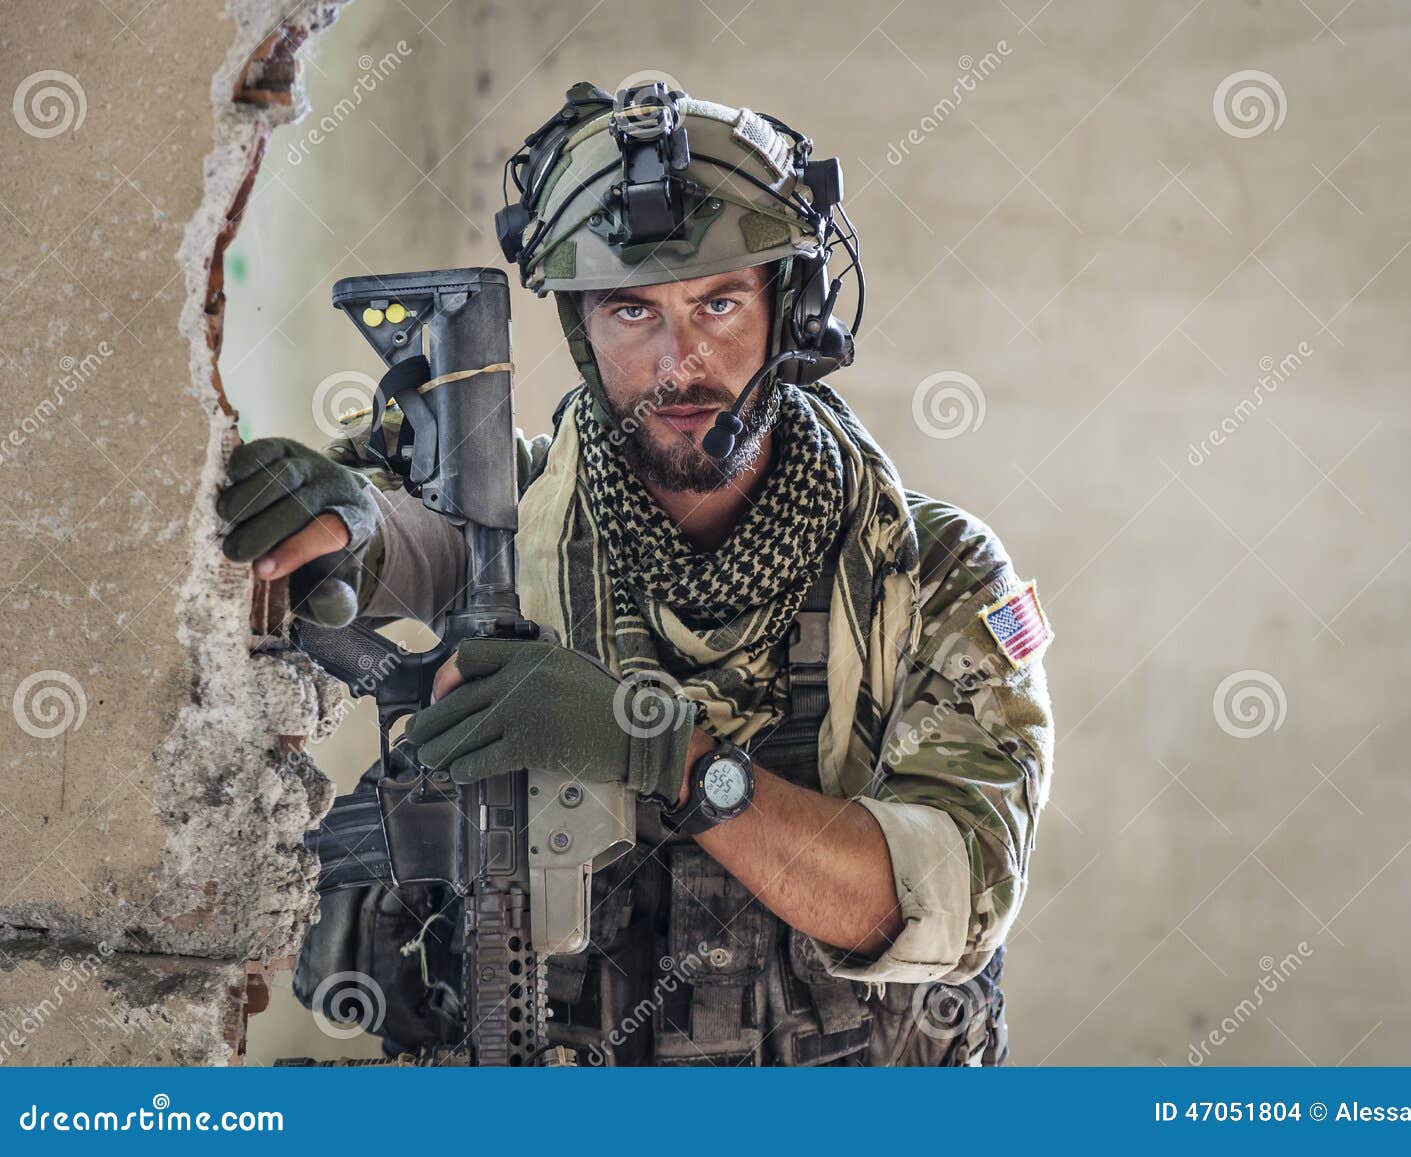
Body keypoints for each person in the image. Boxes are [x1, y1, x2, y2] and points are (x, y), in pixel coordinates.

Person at [216, 81, 1053, 1066]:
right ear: (582, 328)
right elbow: (412, 540)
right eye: (630, 310)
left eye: (717, 303)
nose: (677, 363)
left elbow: (951, 897)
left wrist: (667, 757)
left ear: (790, 310)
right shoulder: (508, 522)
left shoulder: (932, 573)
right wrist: (347, 525)